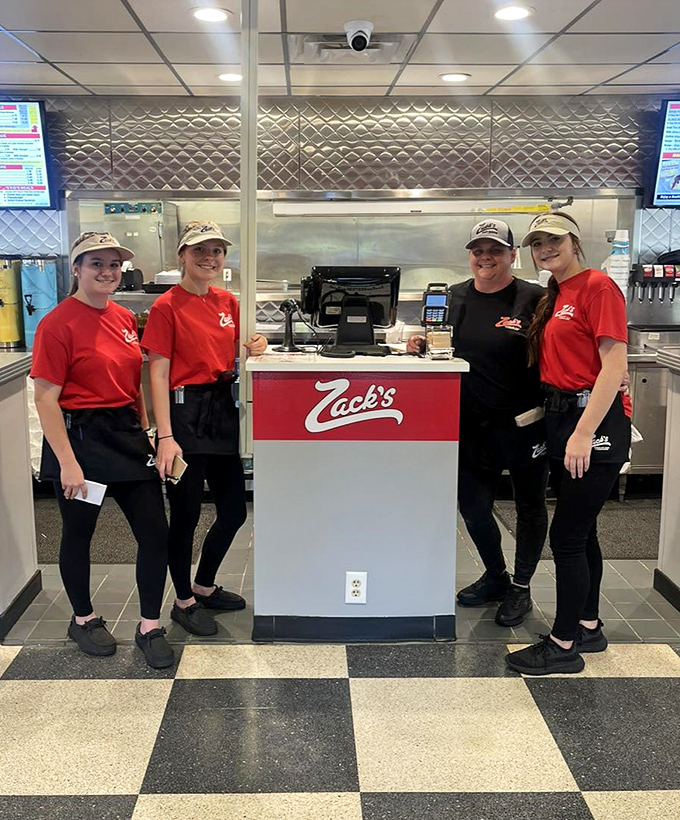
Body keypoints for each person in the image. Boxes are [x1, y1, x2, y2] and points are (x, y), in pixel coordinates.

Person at [31, 231, 174, 669]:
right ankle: (83, 619)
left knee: (155, 533)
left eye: (114, 264)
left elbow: (133, 383)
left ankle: (150, 625)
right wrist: (68, 464)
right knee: (79, 533)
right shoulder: (57, 324)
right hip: (80, 439)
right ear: (76, 269)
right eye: (97, 263)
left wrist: (148, 432)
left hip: (125, 434)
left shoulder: (124, 317)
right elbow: (45, 399)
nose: (108, 272)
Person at [506, 212, 631, 675]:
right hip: (563, 421)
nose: (545, 248)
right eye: (537, 242)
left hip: (590, 424)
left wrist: (583, 432)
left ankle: (562, 646)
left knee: (567, 537)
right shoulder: (556, 293)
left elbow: (614, 366)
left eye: (554, 239)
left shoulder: (598, 286)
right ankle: (588, 626)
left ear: (574, 241)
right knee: (583, 531)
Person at [408, 220, 548, 626]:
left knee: (529, 507)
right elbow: (443, 345)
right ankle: (496, 576)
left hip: (524, 422)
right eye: (478, 250)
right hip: (470, 423)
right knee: (473, 508)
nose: (485, 257)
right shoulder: (454, 296)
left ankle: (521, 587)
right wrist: (421, 344)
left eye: (495, 250)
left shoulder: (535, 297)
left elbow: (560, 346)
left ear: (512, 255)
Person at [143, 220, 267, 637]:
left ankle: (204, 585)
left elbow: (239, 352)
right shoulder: (166, 307)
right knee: (186, 515)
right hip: (183, 415)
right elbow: (158, 374)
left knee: (233, 511)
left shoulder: (228, 302)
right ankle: (183, 600)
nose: (209, 258)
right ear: (182, 256)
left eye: (216, 251)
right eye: (199, 250)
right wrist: (165, 436)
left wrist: (257, 345)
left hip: (220, 412)